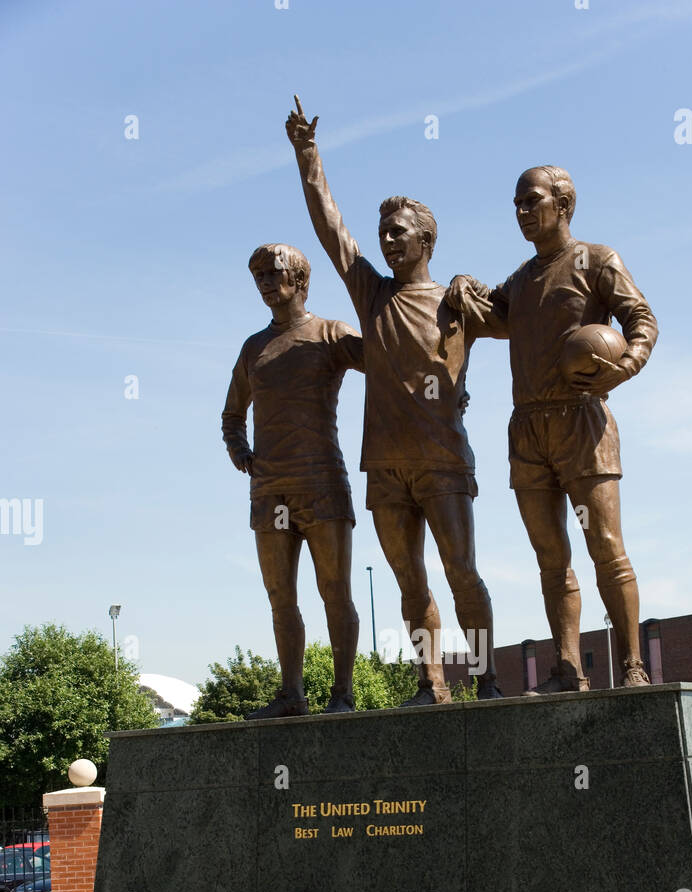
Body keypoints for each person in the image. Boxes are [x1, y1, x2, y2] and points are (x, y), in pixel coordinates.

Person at [285, 96, 505, 704]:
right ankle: (430, 682)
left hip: (442, 460)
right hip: (383, 465)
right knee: (410, 581)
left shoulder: (458, 301)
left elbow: (525, 318)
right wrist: (308, 152)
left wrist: (476, 289)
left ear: (426, 239)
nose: (387, 241)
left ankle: (486, 679)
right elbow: (330, 226)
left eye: (398, 232)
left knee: (461, 571)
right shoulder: (372, 296)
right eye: (383, 233)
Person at [447, 165, 658, 690]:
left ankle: (632, 664)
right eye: (516, 203)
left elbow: (642, 320)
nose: (521, 212)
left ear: (563, 206)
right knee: (550, 558)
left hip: (581, 422)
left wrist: (626, 365)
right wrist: (460, 285)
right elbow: (481, 314)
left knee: (606, 545)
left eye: (531, 201)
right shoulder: (520, 280)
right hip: (528, 430)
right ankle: (566, 667)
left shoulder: (596, 260)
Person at [221, 241, 363, 717]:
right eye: (257, 275)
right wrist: (241, 452)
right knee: (281, 596)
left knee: (334, 590)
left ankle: (341, 693)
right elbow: (231, 415)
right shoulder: (253, 347)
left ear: (299, 279)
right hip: (270, 490)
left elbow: (390, 366)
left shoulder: (330, 333)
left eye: (271, 273)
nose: (263, 282)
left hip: (322, 481)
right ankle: (291, 694)